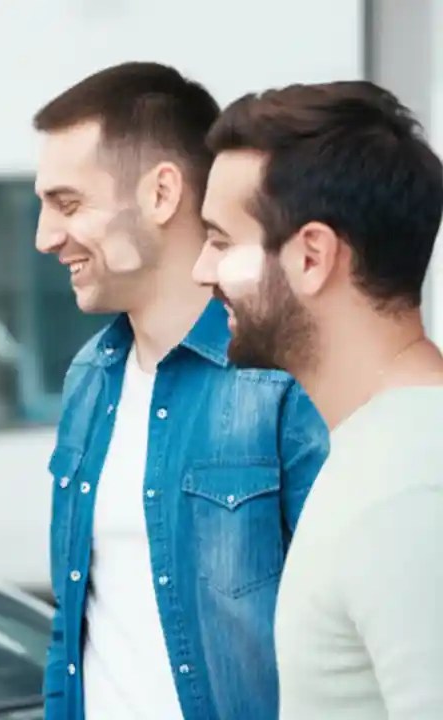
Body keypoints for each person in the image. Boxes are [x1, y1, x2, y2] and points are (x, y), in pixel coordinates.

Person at [31, 62, 329, 720]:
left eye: (68, 203)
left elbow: (348, 636)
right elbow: (71, 634)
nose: (45, 237)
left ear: (161, 194)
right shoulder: (89, 379)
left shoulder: (281, 377)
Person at [194, 80, 443, 719]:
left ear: (311, 256)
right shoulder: (385, 456)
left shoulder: (409, 490)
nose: (202, 270)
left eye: (221, 242)